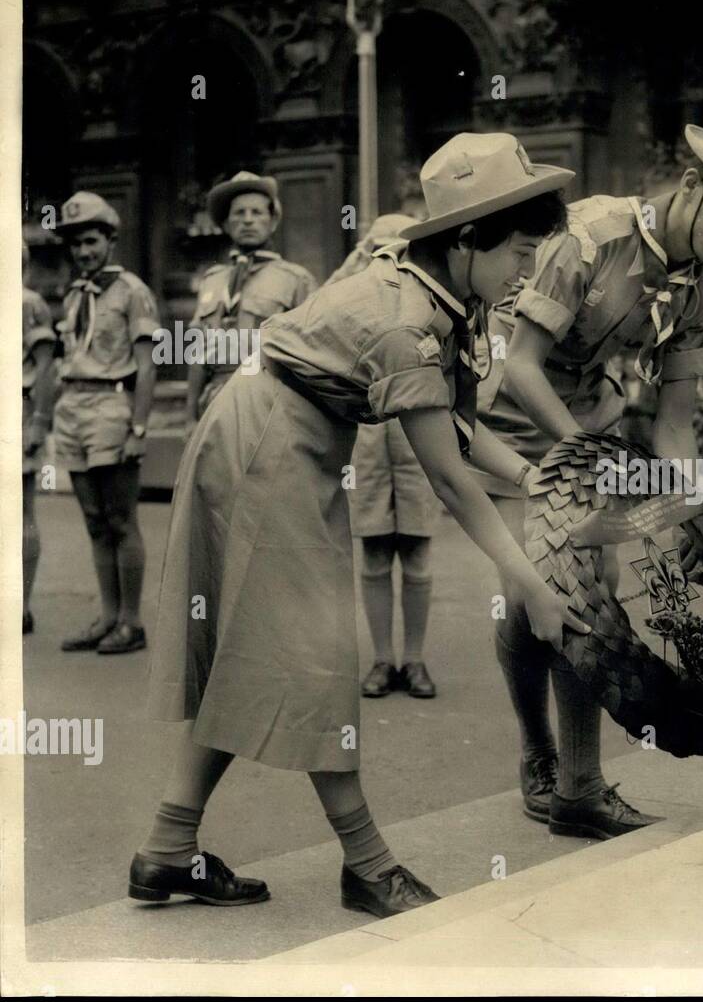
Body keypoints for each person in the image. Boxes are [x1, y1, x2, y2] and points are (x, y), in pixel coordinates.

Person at [132, 133, 587, 919]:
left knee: (256, 646)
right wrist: (532, 588)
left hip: (273, 428)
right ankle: (368, 865)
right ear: (469, 238)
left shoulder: (436, 290)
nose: (524, 273)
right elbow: (446, 474)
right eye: (518, 252)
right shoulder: (406, 320)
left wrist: (529, 471)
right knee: (320, 651)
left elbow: (452, 425)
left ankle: (167, 849)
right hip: (269, 441)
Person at [477, 115, 703, 838]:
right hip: (512, 414)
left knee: (584, 584)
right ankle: (547, 758)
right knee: (535, 590)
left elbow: (677, 418)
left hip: (588, 416)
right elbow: (521, 364)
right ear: (690, 182)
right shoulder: (590, 237)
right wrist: (584, 459)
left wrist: (685, 507)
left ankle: (575, 785)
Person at [327, 214, 441, 699]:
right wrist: (359, 259)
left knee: (416, 550)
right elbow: (325, 309)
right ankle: (380, 659)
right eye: (381, 250)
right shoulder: (354, 290)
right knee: (373, 551)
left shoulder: (429, 297)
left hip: (420, 433)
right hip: (368, 436)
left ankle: (414, 659)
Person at [52, 192, 160, 655]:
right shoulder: (75, 293)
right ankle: (108, 616)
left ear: (111, 240)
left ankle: (132, 622)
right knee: (94, 520)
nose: (84, 252)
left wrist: (138, 429)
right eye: (76, 245)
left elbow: (148, 365)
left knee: (120, 518)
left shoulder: (131, 290)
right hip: (72, 408)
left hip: (112, 408)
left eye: (92, 241)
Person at [186, 171, 317, 426]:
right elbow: (198, 353)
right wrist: (190, 415)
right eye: (239, 213)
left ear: (272, 221)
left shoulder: (295, 280)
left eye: (257, 213)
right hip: (214, 399)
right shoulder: (212, 280)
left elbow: (313, 353)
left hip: (270, 399)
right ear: (225, 224)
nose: (248, 220)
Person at [21, 241, 59, 634]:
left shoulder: (29, 303)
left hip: (19, 409)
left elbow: (46, 369)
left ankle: (22, 605)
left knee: (21, 512)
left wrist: (39, 422)